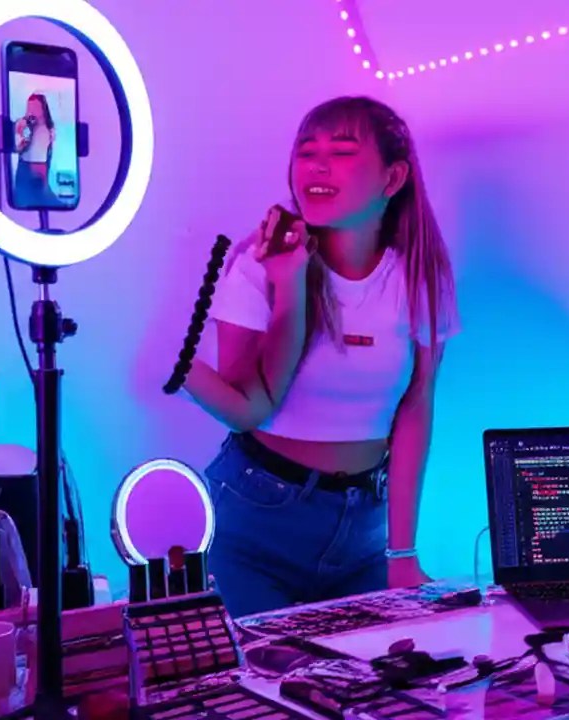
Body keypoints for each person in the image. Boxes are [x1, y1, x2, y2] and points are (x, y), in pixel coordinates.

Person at [181, 96, 459, 618]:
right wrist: (289, 287)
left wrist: (403, 552)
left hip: (363, 529)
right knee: (257, 669)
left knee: (379, 668)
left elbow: (417, 406)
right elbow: (245, 403)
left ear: (393, 178)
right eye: (306, 152)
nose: (317, 165)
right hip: (255, 519)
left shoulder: (420, 277)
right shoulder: (259, 266)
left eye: (342, 151)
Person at [13, 93, 60, 207]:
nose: (32, 111)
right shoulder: (25, 126)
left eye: (35, 107)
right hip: (25, 169)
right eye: (30, 107)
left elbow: (48, 152)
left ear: (43, 109)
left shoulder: (49, 130)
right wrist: (23, 130)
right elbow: (18, 147)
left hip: (41, 170)